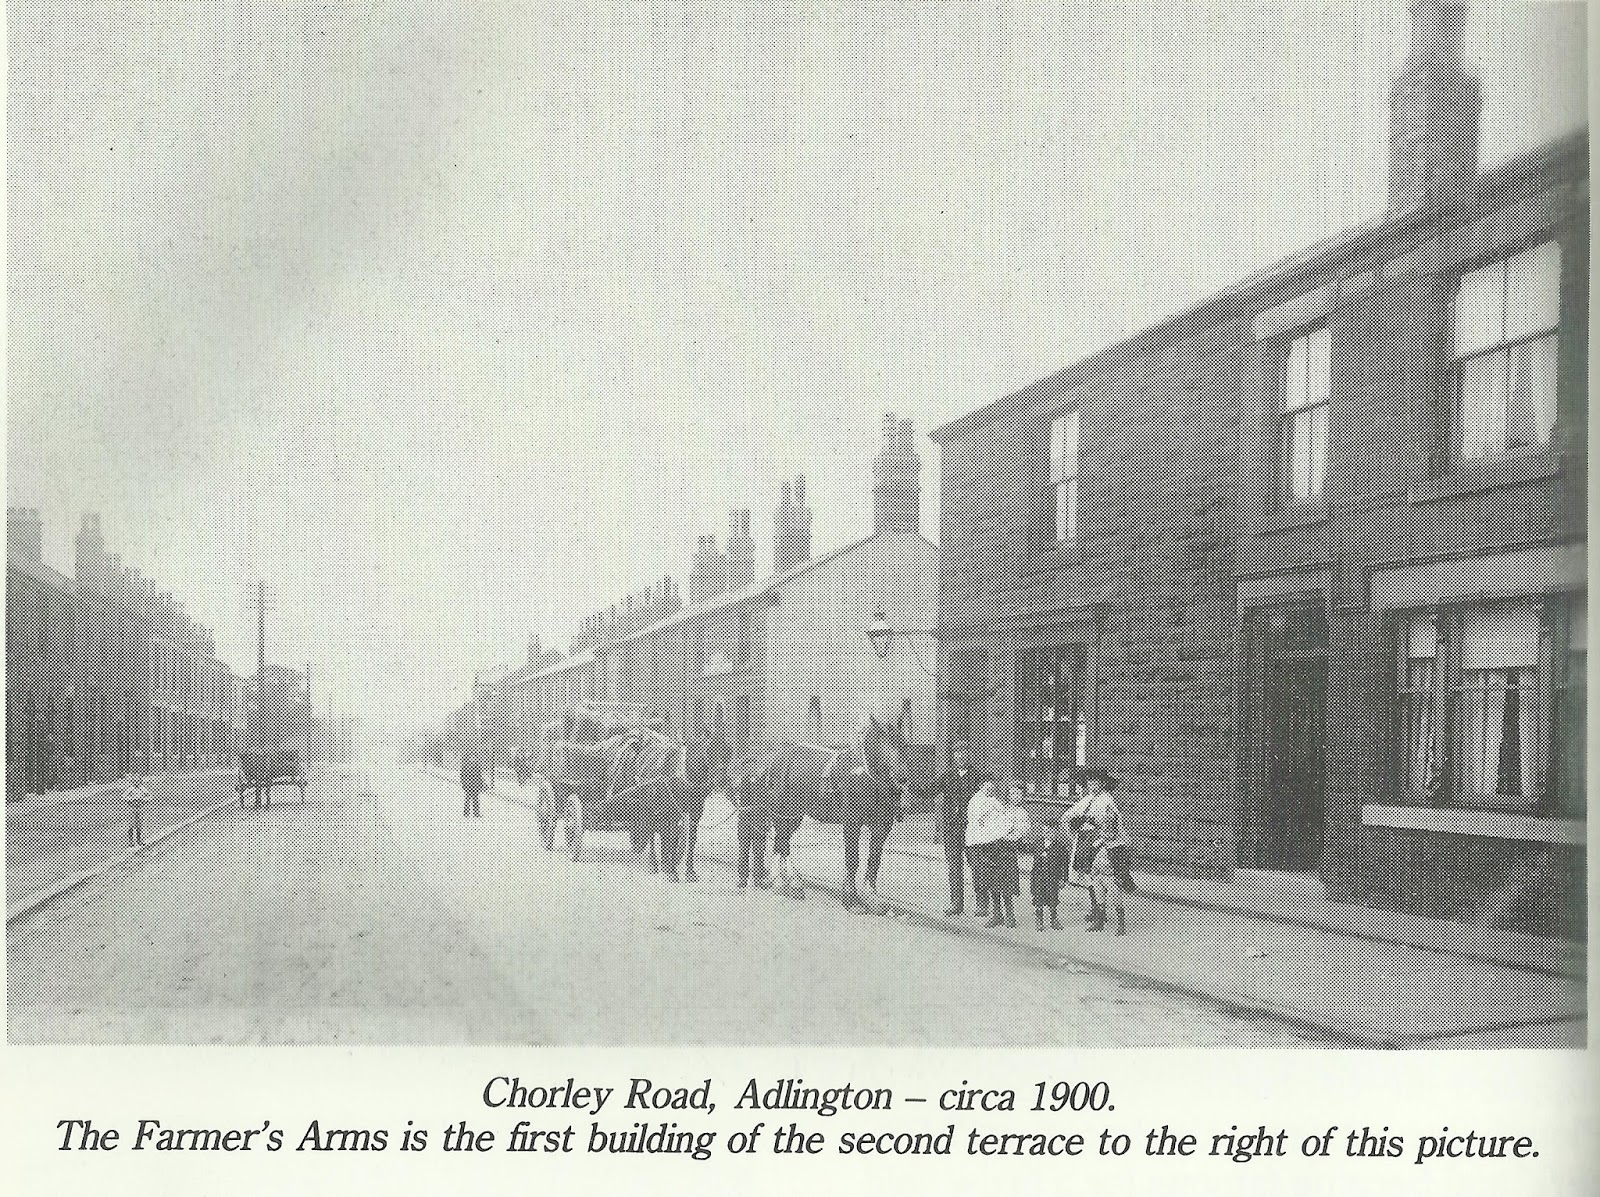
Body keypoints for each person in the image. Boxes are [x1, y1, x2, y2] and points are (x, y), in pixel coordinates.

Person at [1065, 768, 1128, 934]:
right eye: (1090, 782)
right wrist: (1075, 822)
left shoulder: (1107, 800)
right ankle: (1096, 910)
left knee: (1101, 878)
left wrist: (1094, 822)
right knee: (1089, 876)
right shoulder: (1087, 799)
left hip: (1098, 841)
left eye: (1096, 782)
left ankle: (1102, 913)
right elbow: (1071, 815)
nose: (1092, 784)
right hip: (1085, 841)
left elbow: (1114, 822)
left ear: (1102, 783)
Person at [935, 737, 990, 917]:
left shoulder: (978, 777)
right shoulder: (947, 776)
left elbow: (988, 802)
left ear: (969, 755)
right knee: (954, 867)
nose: (961, 756)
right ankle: (956, 904)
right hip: (951, 829)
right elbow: (929, 790)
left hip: (972, 830)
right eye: (957, 753)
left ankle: (982, 903)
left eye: (964, 752)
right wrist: (909, 784)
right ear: (954, 756)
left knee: (977, 865)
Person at [966, 778, 1029, 928]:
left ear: (1023, 796)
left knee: (1006, 886)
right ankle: (997, 914)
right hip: (994, 850)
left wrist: (1006, 835)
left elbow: (1021, 832)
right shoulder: (1002, 808)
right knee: (993, 883)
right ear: (1009, 794)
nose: (1015, 796)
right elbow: (990, 823)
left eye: (1019, 794)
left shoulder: (1022, 814)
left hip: (1007, 852)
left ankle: (1010, 915)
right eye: (1012, 793)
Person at [731, 757, 770, 890]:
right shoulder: (740, 782)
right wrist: (736, 805)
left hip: (759, 820)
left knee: (759, 851)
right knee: (743, 851)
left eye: (753, 766)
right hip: (744, 821)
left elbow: (769, 802)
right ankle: (742, 878)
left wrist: (768, 820)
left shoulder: (763, 782)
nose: (751, 769)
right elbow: (727, 790)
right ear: (744, 769)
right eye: (748, 767)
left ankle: (758, 879)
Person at [1028, 818, 1072, 930]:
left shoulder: (1061, 847)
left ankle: (1054, 919)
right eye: (1045, 831)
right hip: (1038, 877)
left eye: (1050, 831)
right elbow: (1029, 851)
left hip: (1053, 877)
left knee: (1052, 898)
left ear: (1056, 832)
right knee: (1038, 898)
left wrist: (1064, 879)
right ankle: (1039, 920)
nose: (1047, 834)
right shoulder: (1037, 843)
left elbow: (1065, 864)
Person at [121, 772, 150, 846]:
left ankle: (139, 840)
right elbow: (123, 797)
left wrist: (144, 799)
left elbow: (150, 796)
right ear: (133, 781)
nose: (137, 781)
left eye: (138, 780)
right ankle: (130, 841)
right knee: (131, 824)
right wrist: (131, 799)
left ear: (140, 781)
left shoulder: (143, 788)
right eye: (135, 780)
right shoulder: (130, 789)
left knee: (139, 824)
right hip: (132, 808)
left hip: (140, 808)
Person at [460, 753, 485, 818]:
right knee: (468, 797)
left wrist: (481, 783)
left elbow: (479, 775)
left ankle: (475, 813)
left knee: (475, 798)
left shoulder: (477, 765)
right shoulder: (466, 766)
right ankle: (467, 813)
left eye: (474, 757)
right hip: (469, 783)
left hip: (475, 783)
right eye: (471, 757)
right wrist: (464, 783)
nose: (473, 758)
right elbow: (462, 775)